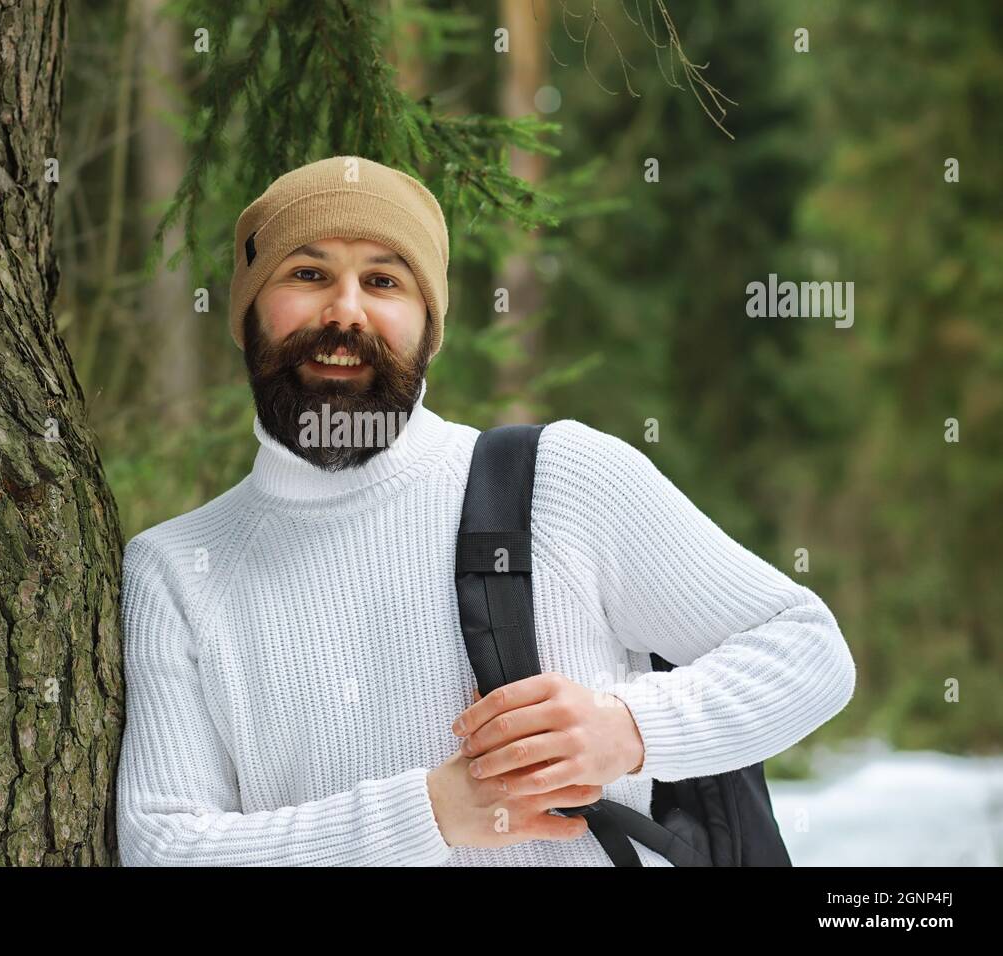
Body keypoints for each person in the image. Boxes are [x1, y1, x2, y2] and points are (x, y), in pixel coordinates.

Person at [115, 155, 856, 866]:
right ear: (246, 313)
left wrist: (628, 728)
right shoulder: (178, 569)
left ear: (428, 329)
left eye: (384, 280)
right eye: (308, 274)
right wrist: (431, 814)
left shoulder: (560, 480)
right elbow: (165, 849)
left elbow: (807, 649)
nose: (345, 311)